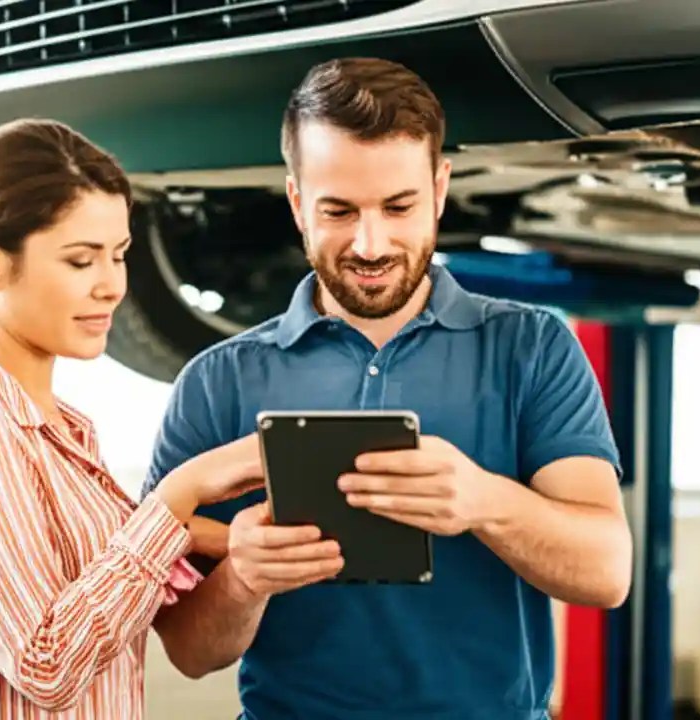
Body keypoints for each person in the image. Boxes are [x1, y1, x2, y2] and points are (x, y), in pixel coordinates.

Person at [144, 58, 634, 719]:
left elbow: (606, 573)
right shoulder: (215, 381)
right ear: (296, 202)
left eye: (398, 206)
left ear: (438, 189)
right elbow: (189, 651)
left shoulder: (533, 348)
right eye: (338, 211)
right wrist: (242, 579)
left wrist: (485, 501)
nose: (369, 244)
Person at [0, 118, 263, 719]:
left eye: (120, 256)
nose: (111, 286)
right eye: (81, 261)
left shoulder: (64, 433)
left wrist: (244, 550)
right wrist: (180, 495)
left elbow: (125, 587)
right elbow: (47, 665)